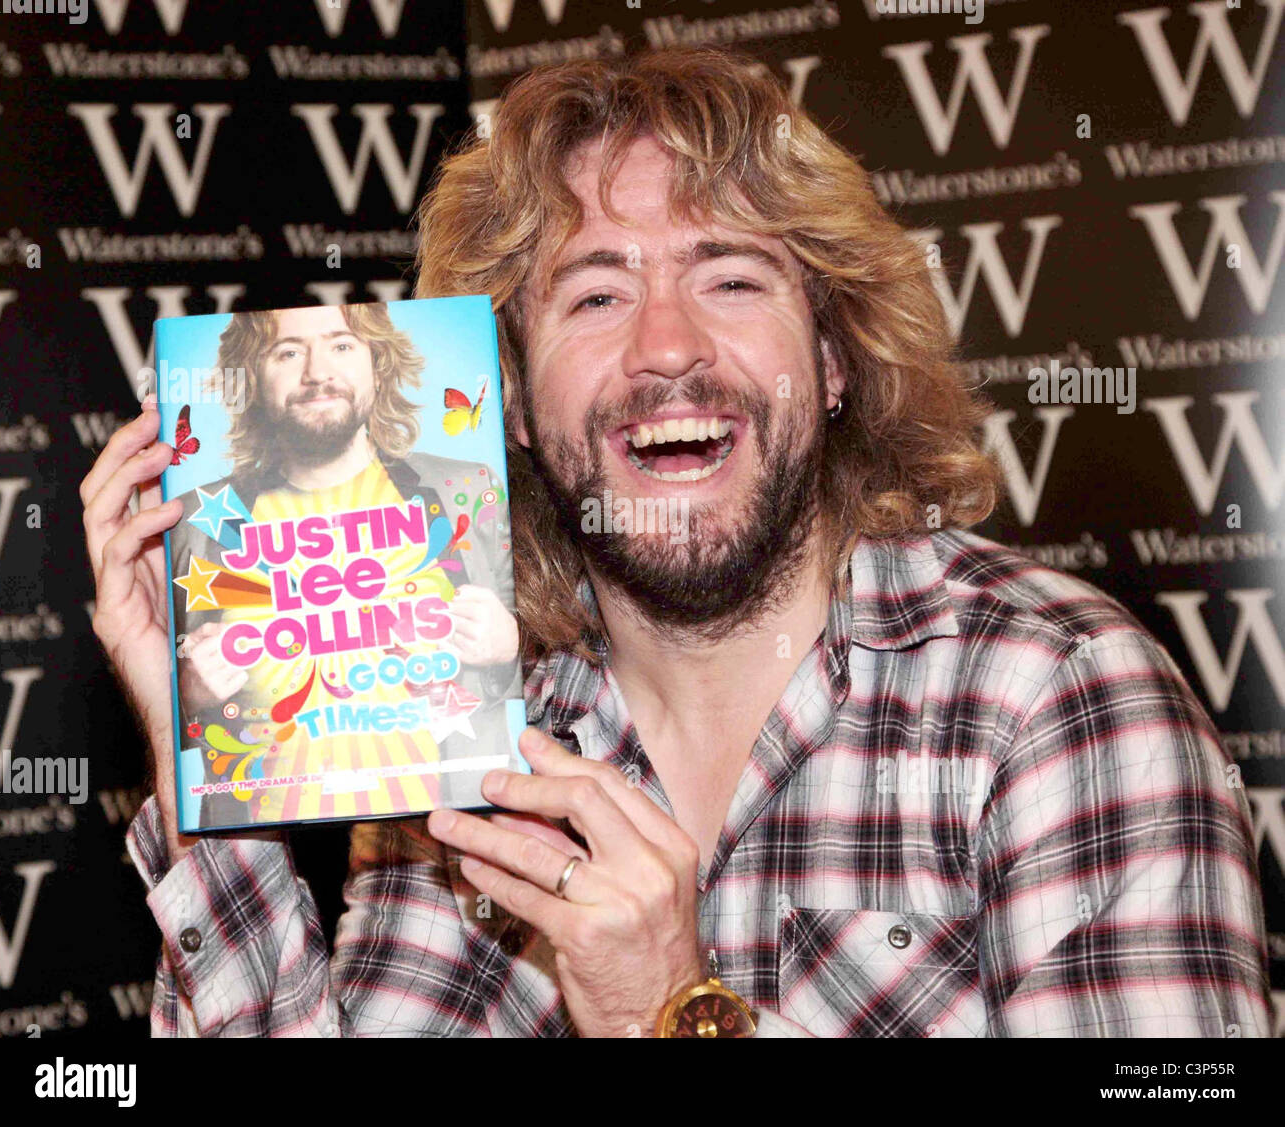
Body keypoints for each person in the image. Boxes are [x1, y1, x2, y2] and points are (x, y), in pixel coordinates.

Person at [81, 45, 1271, 1037]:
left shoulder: (1055, 693)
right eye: (594, 295)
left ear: (835, 358)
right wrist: (206, 749)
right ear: (510, 402)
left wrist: (675, 1009)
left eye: (732, 279)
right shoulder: (475, 729)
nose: (665, 347)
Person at [164, 300, 520, 823]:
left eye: (342, 345)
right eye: (287, 352)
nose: (317, 373)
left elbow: (563, 669)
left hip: (450, 839)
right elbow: (157, 711)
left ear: (378, 365)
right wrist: (187, 691)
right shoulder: (193, 520)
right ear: (250, 379)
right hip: (267, 851)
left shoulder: (466, 491)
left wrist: (509, 643)